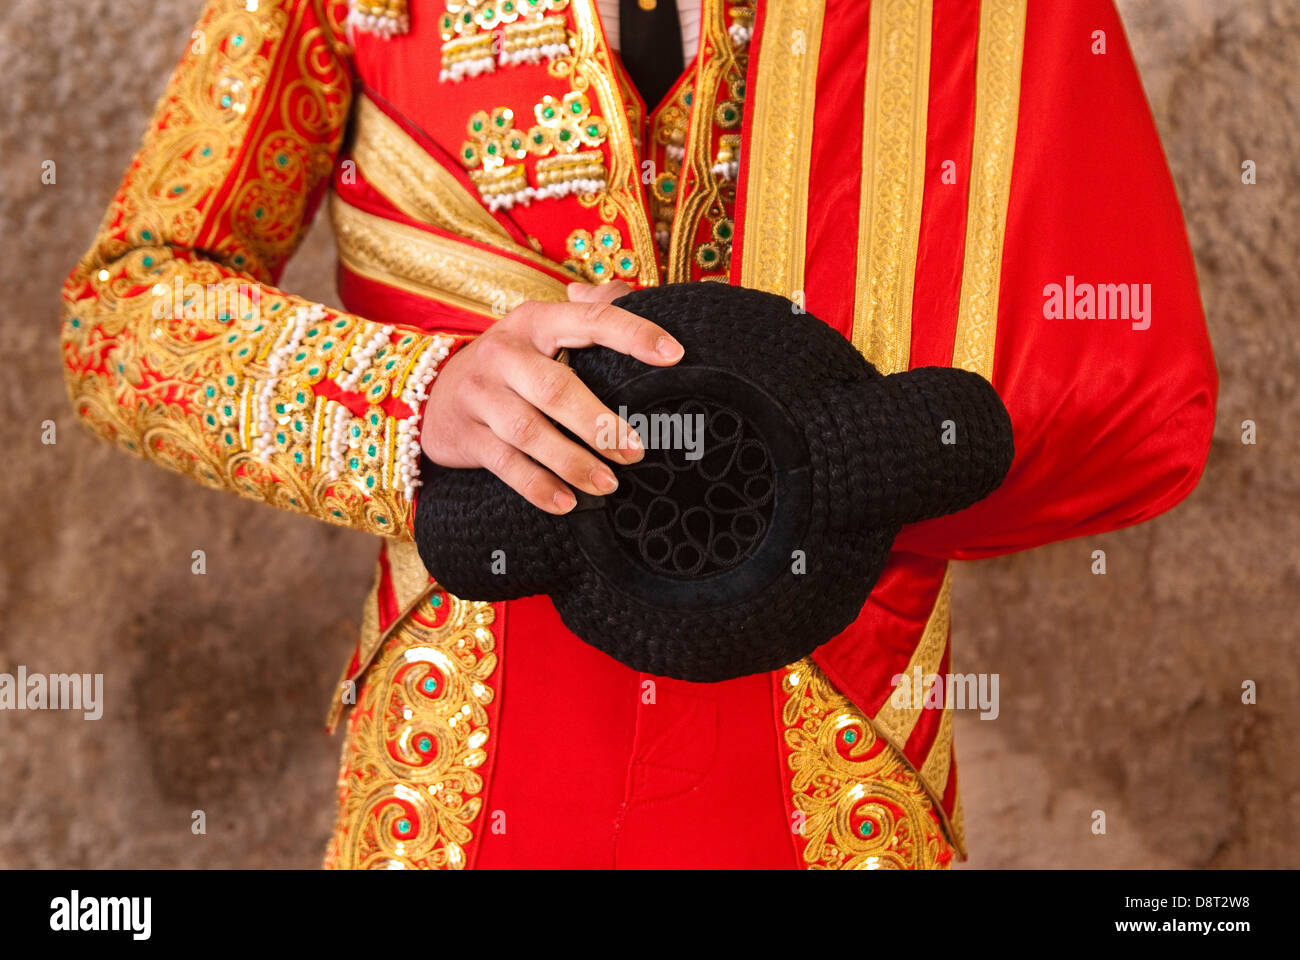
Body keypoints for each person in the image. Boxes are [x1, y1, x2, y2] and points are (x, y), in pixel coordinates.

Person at [60, 0, 1216, 869]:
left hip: (835, 742)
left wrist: (876, 450)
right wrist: (411, 400)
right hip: (459, 766)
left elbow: (1131, 383)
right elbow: (124, 309)